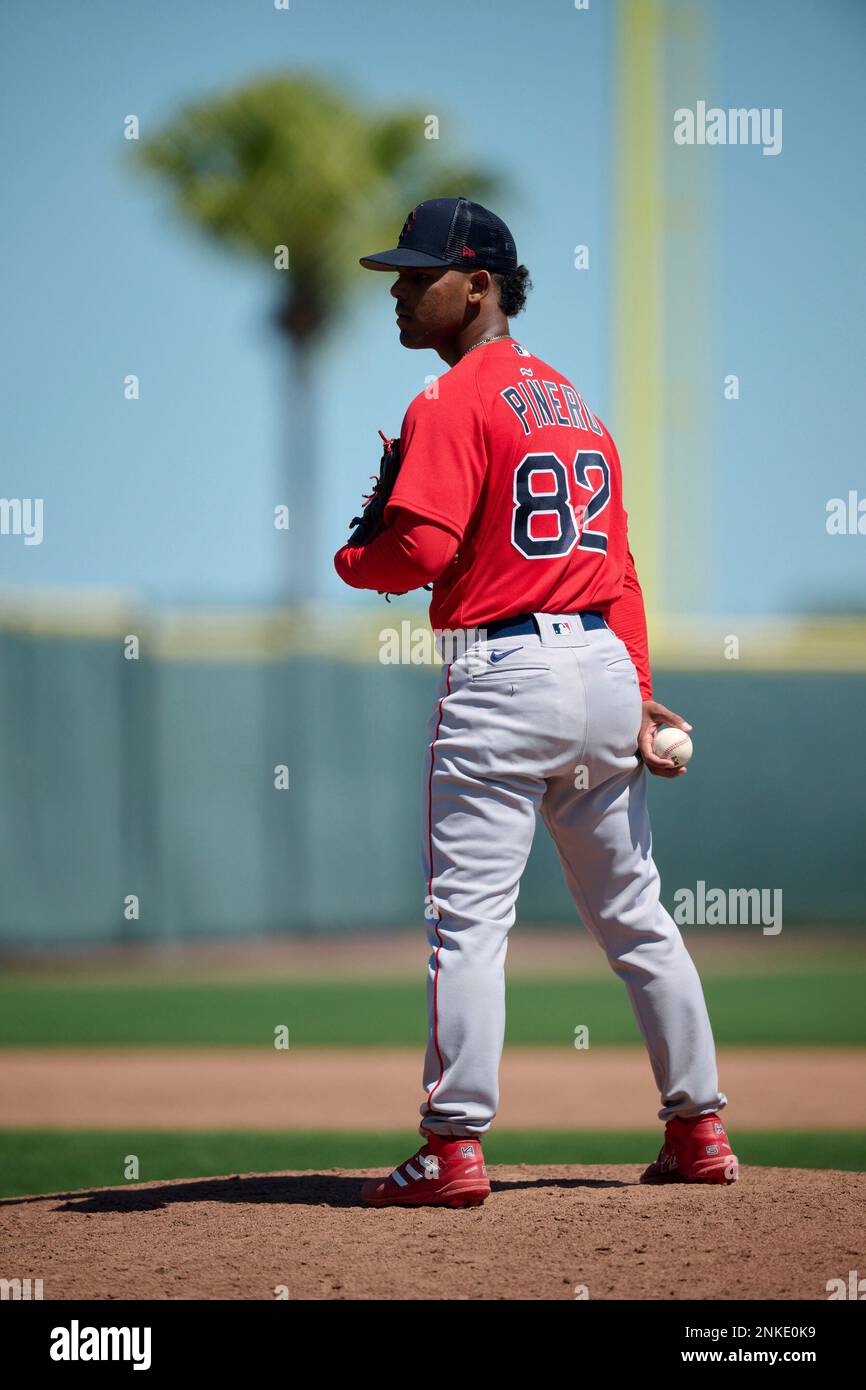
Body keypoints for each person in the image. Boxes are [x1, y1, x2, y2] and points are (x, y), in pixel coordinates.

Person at [334, 197, 737, 1207]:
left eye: (416, 274)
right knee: (635, 914)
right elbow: (620, 572)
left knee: (466, 924)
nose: (396, 290)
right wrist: (639, 697)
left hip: (502, 677)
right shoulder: (575, 407)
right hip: (599, 667)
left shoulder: (448, 402)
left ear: (478, 286)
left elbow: (414, 552)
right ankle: (696, 1127)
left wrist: (353, 556)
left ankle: (451, 1146)